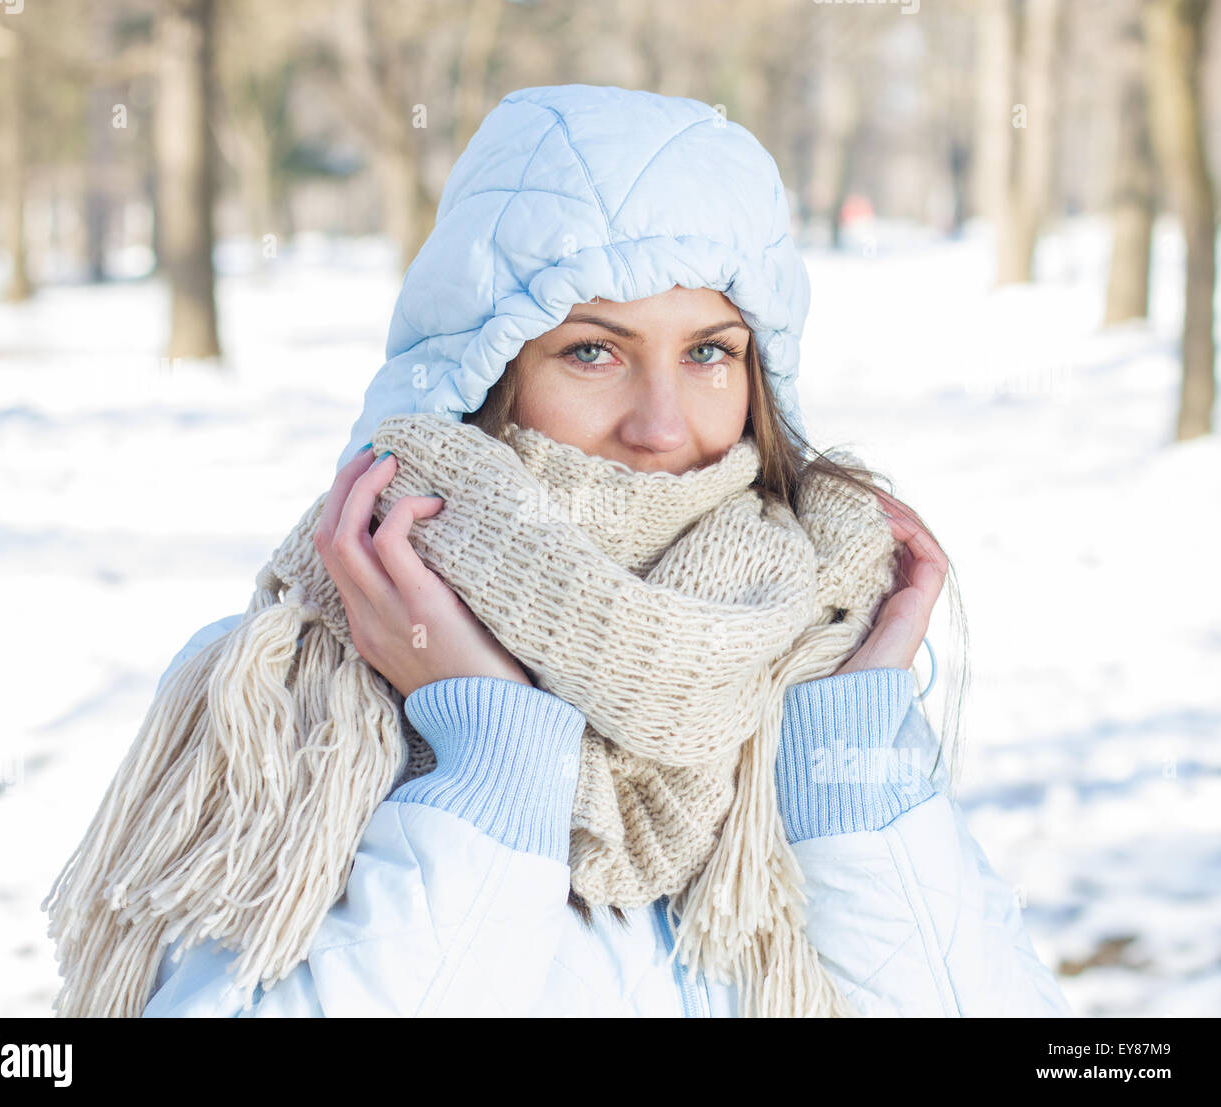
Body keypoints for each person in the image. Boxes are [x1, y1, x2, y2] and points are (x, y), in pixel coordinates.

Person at [138, 84, 1073, 1018]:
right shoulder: (296, 689)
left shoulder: (810, 653)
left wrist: (851, 760)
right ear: (483, 372)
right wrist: (490, 754)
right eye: (594, 352)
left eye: (710, 352)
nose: (663, 427)